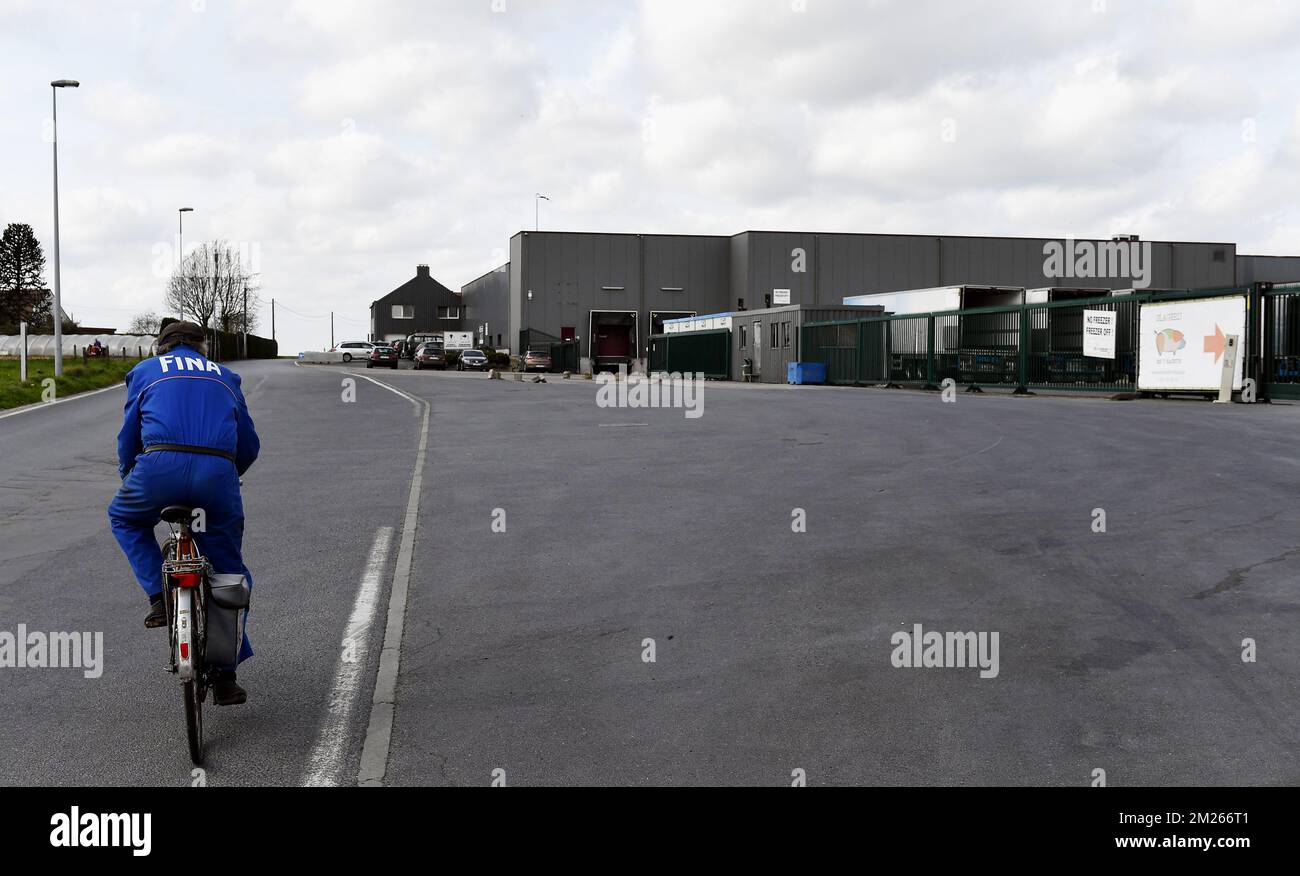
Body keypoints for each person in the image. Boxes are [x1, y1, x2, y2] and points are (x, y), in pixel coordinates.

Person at [107, 322, 260, 706]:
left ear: (161, 347)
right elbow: (249, 445)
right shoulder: (226, 376)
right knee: (227, 570)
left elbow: (129, 437)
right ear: (202, 347)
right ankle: (226, 677)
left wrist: (130, 476)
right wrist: (227, 476)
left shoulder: (145, 372)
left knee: (124, 516)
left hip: (158, 469)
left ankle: (158, 597)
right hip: (216, 476)